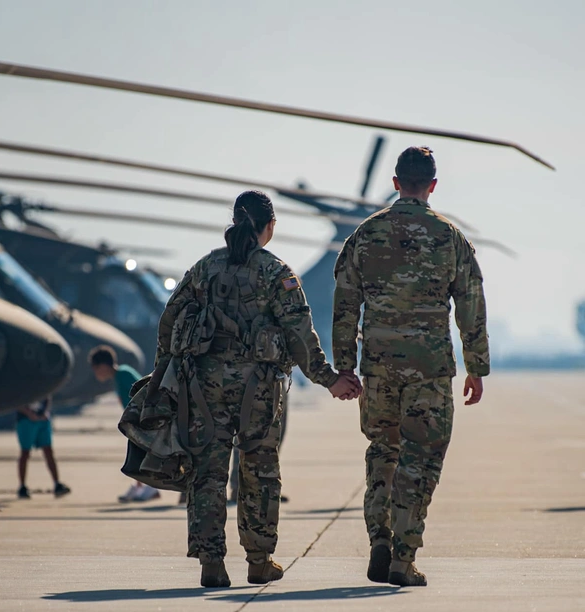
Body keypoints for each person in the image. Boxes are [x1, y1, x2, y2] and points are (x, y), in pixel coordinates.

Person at [156, 189, 360, 588]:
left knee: (207, 473)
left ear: (234, 222)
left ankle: (211, 563)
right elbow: (300, 334)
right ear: (269, 227)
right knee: (259, 471)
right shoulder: (277, 273)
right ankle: (259, 560)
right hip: (259, 392)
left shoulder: (205, 269)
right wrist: (329, 379)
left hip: (203, 389)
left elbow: (169, 321)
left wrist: (163, 378)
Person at [333, 146, 489, 587]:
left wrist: (344, 367)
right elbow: (471, 305)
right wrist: (477, 366)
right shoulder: (449, 237)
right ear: (433, 186)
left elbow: (344, 305)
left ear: (397, 182)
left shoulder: (365, 235)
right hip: (430, 371)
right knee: (422, 460)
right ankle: (403, 557)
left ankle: (379, 541)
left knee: (383, 453)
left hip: (378, 371)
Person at [89, 345, 160, 503]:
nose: (96, 373)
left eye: (96, 369)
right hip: (136, 420)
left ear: (103, 366)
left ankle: (150, 487)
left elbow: (143, 392)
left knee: (140, 452)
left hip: (141, 419)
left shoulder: (123, 374)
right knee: (137, 453)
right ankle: (140, 486)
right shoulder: (119, 375)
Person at [15, 395, 71, 499]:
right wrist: (29, 413)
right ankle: (22, 486)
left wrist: (45, 411)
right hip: (25, 420)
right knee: (25, 453)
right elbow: (15, 400)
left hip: (43, 420)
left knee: (48, 451)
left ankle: (57, 484)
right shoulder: (22, 381)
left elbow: (48, 394)